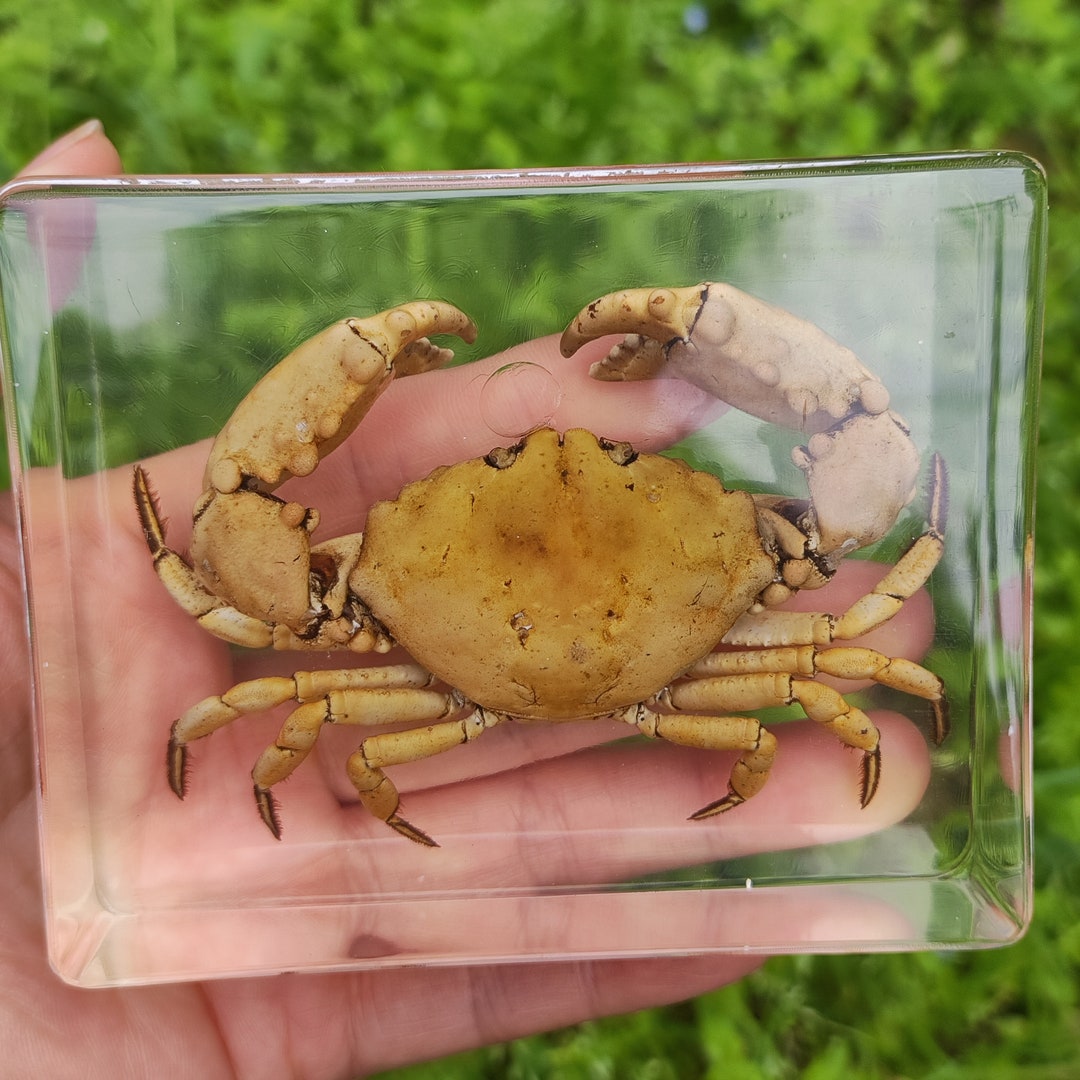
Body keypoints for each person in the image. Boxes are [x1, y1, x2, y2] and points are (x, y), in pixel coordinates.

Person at [0, 122, 934, 1077]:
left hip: (413, 720)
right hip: (698, 688)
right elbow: (868, 472)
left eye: (608, 458)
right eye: (506, 463)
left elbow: (233, 540)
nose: (557, 459)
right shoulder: (753, 550)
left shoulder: (370, 583)